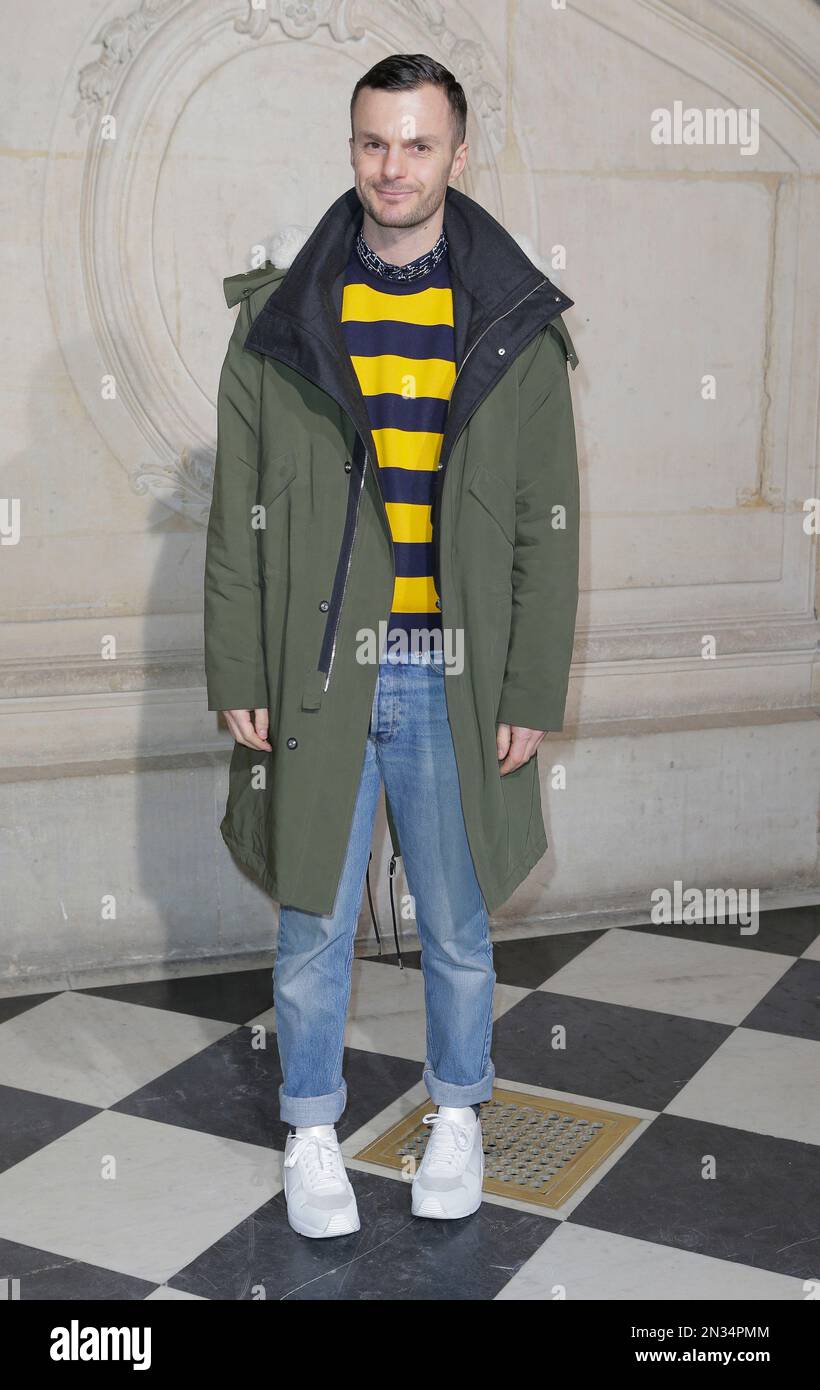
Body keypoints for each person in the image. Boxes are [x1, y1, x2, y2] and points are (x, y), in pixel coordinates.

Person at [204, 53, 581, 1238]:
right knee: (312, 911)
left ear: (457, 155)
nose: (394, 167)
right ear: (351, 147)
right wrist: (236, 673)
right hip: (319, 669)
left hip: (453, 671)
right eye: (375, 142)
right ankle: (311, 1127)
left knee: (458, 916)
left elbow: (544, 524)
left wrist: (527, 684)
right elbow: (236, 514)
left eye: (419, 144)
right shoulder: (281, 316)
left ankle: (455, 1110)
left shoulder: (513, 322)